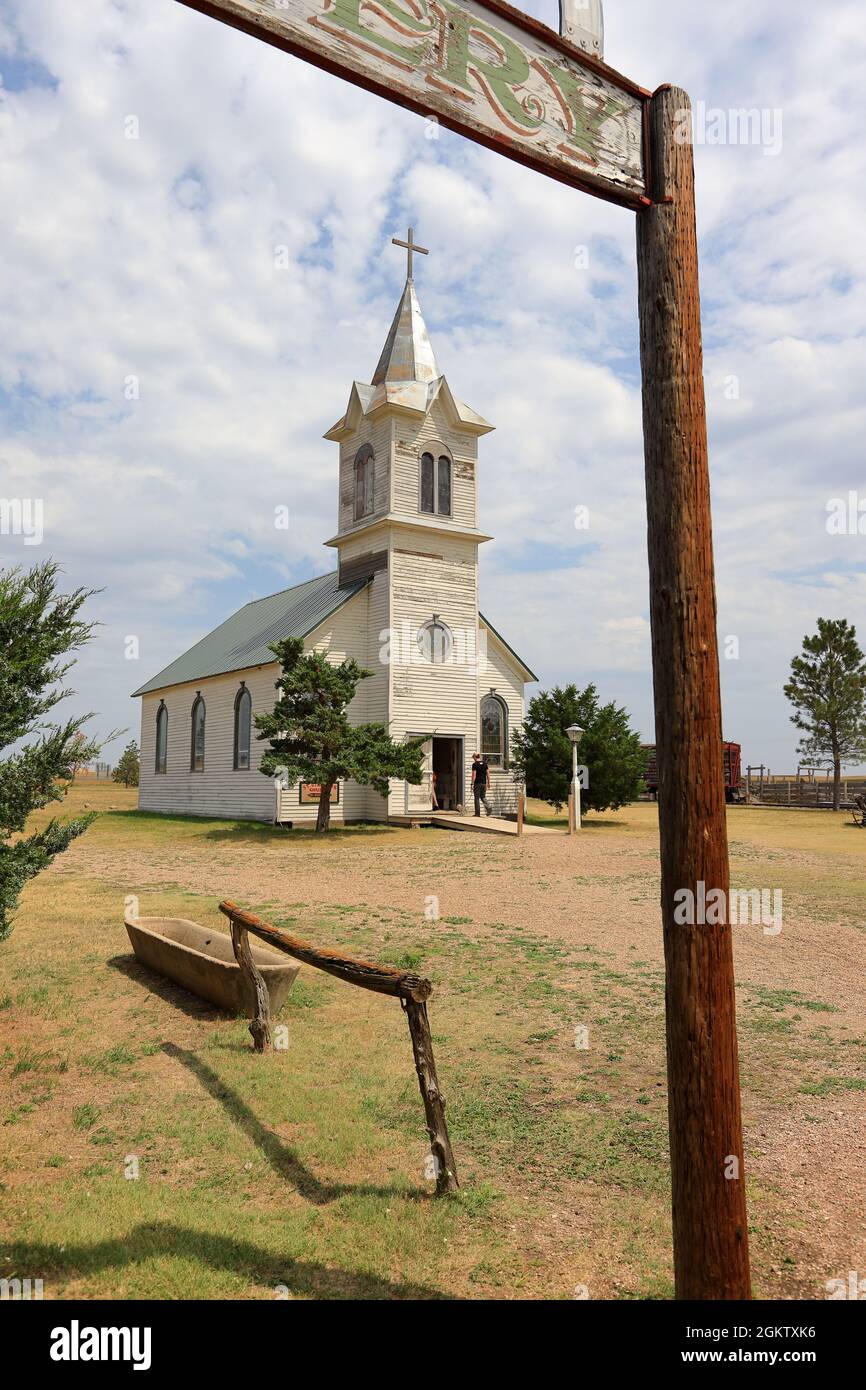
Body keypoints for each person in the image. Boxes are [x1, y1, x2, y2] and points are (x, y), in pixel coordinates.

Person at [471, 752, 492, 817]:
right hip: (484, 783)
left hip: (477, 783)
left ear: (475, 757)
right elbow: (488, 774)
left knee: (476, 798)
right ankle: (488, 807)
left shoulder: (475, 764)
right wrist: (488, 783)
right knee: (483, 797)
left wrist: (472, 783)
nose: (473, 759)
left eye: (473, 757)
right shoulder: (485, 764)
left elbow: (474, 775)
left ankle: (477, 814)